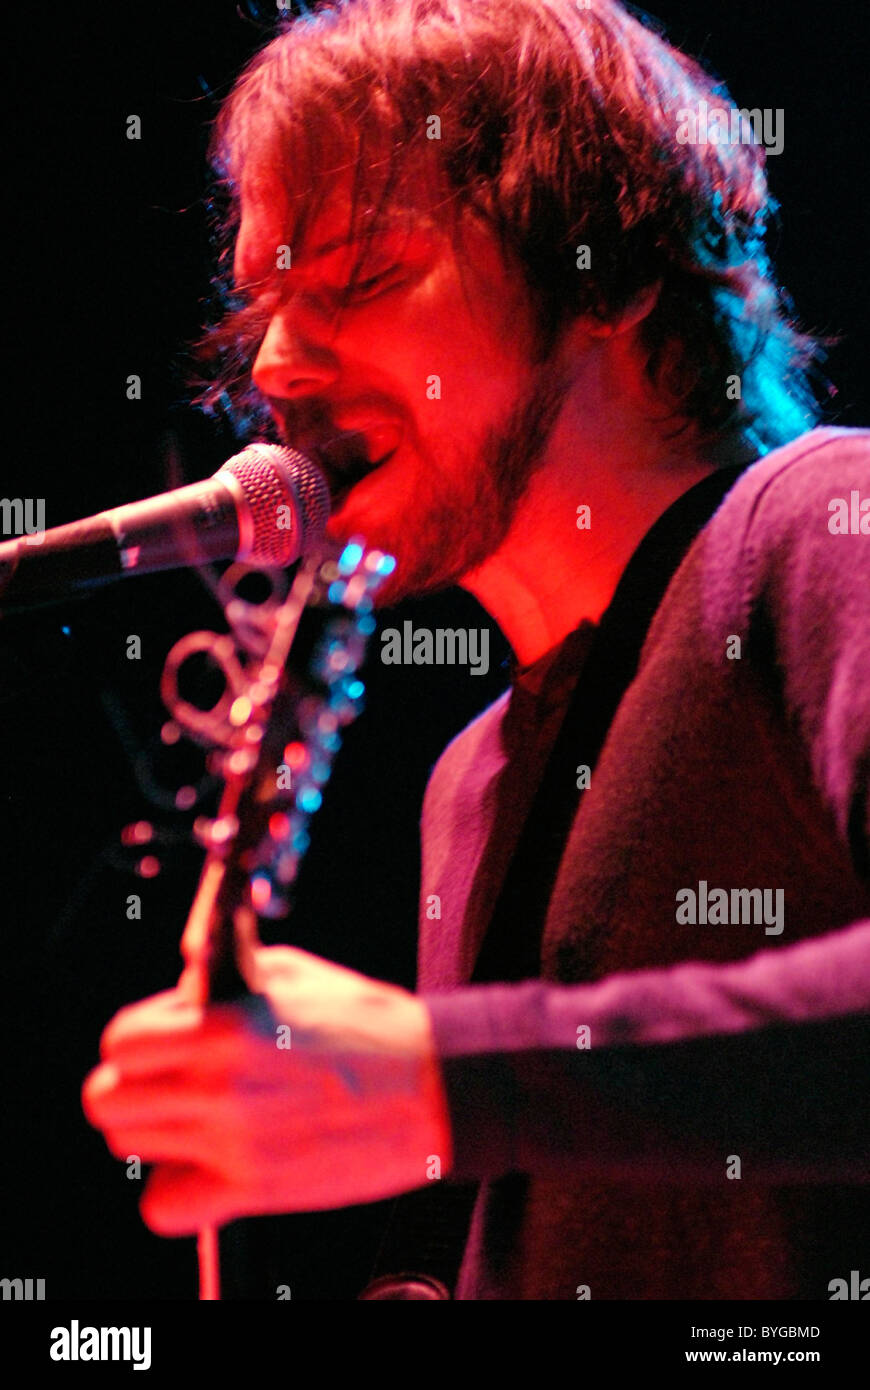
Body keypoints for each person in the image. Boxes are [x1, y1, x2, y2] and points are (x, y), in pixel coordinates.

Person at [82, 0, 869, 1299]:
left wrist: (443, 1076)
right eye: (267, 304)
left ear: (603, 273)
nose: (277, 363)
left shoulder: (815, 524)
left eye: (358, 280)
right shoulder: (471, 776)